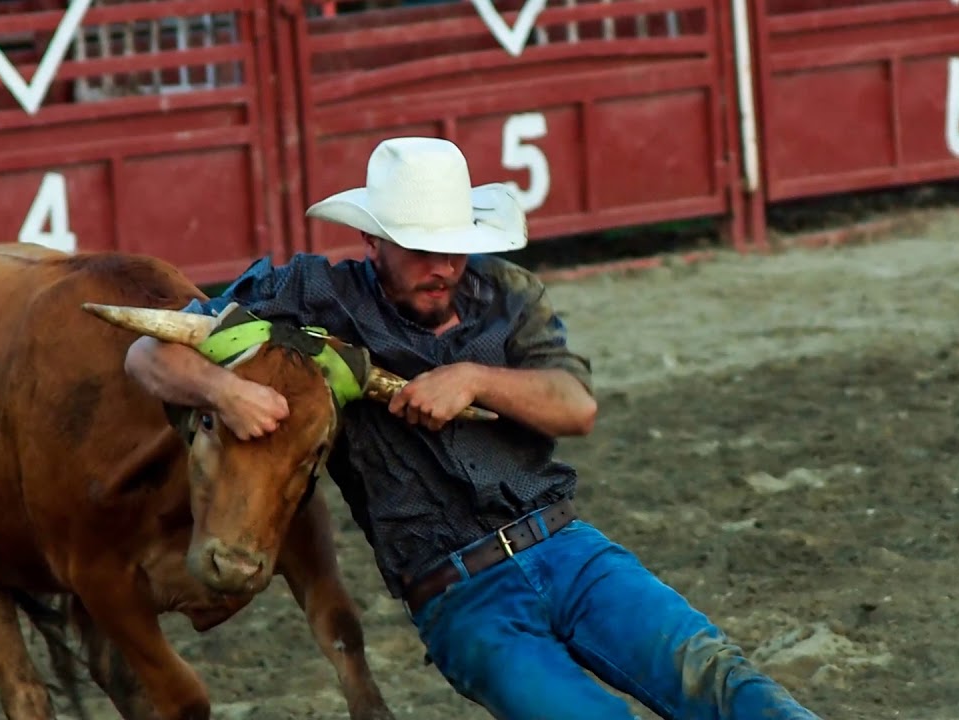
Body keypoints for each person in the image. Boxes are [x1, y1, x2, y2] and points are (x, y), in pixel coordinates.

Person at [125, 136, 823, 719]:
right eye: (421, 250)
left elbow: (575, 405)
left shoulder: (507, 293)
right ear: (372, 241)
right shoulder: (312, 296)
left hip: (569, 547)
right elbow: (148, 353)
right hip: (461, 598)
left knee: (721, 679)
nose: (445, 268)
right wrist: (226, 392)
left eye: (456, 248)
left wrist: (476, 379)